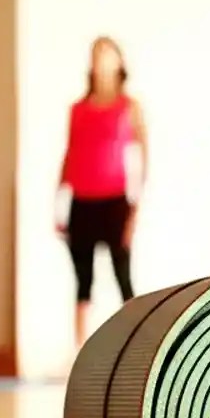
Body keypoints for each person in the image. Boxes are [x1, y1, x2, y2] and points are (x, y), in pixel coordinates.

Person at [57, 37, 148, 349]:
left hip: (115, 202)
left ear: (119, 63)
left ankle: (136, 348)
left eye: (107, 55)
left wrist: (134, 210)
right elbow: (70, 154)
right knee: (83, 282)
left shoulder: (130, 108)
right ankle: (79, 351)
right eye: (96, 55)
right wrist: (59, 201)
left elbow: (142, 160)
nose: (101, 61)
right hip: (82, 203)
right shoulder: (78, 110)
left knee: (123, 277)